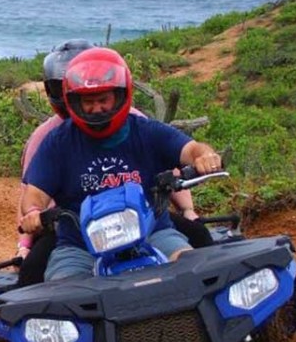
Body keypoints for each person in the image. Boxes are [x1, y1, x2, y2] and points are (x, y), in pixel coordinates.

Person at [14, 41, 212, 284]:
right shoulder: (56, 141)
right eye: (88, 101)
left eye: (103, 100)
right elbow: (33, 193)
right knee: (61, 294)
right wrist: (34, 212)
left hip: (154, 233)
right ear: (73, 101)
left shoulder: (147, 130)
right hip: (80, 247)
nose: (96, 108)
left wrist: (204, 156)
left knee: (193, 272)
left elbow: (191, 149)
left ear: (120, 96)